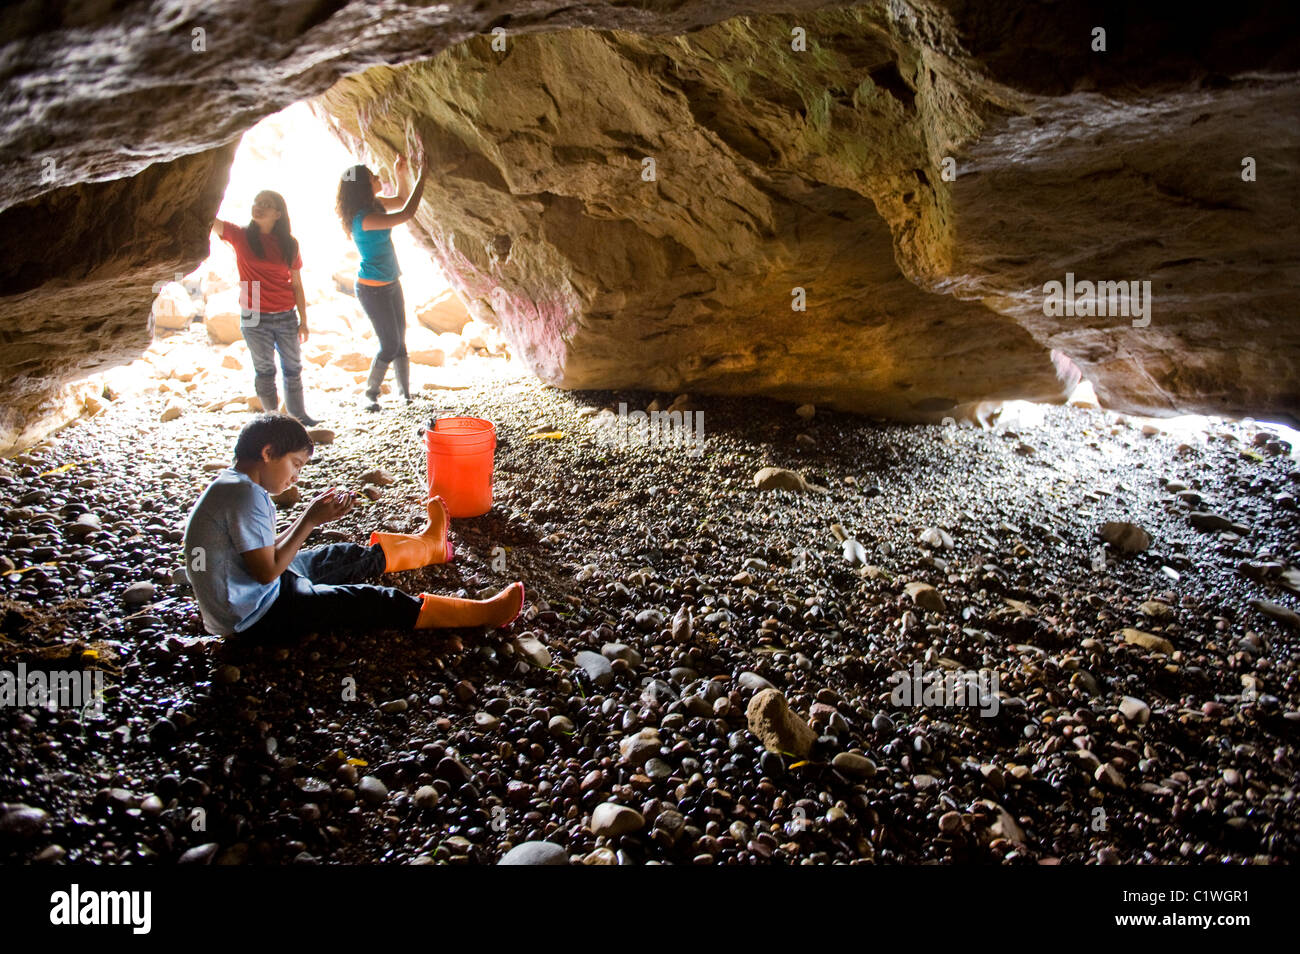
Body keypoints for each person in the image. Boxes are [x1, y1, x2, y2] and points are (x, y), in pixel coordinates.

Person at [182, 413, 525, 640]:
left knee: (338, 556)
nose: (296, 476)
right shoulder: (245, 497)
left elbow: (266, 554)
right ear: (269, 452)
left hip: (249, 596)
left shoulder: (234, 485)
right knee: (368, 600)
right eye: (296, 464)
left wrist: (312, 520)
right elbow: (267, 572)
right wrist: (310, 519)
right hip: (255, 616)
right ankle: (481, 615)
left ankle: (430, 546)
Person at [212, 191, 319, 426]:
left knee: (293, 368)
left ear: (278, 214)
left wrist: (304, 320)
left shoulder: (289, 244)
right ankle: (273, 421)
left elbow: (298, 285)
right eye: (257, 202)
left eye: (266, 205)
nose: (258, 206)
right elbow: (209, 220)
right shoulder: (239, 235)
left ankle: (298, 418)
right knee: (264, 370)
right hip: (253, 314)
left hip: (285, 313)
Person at [336, 154, 426, 412]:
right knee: (389, 343)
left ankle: (404, 395)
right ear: (364, 185)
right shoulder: (364, 218)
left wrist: (401, 174)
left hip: (390, 283)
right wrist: (422, 176)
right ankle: (370, 393)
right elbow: (407, 212)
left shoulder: (373, 206)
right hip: (371, 290)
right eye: (372, 177)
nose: (377, 178)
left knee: (400, 340)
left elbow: (399, 199)